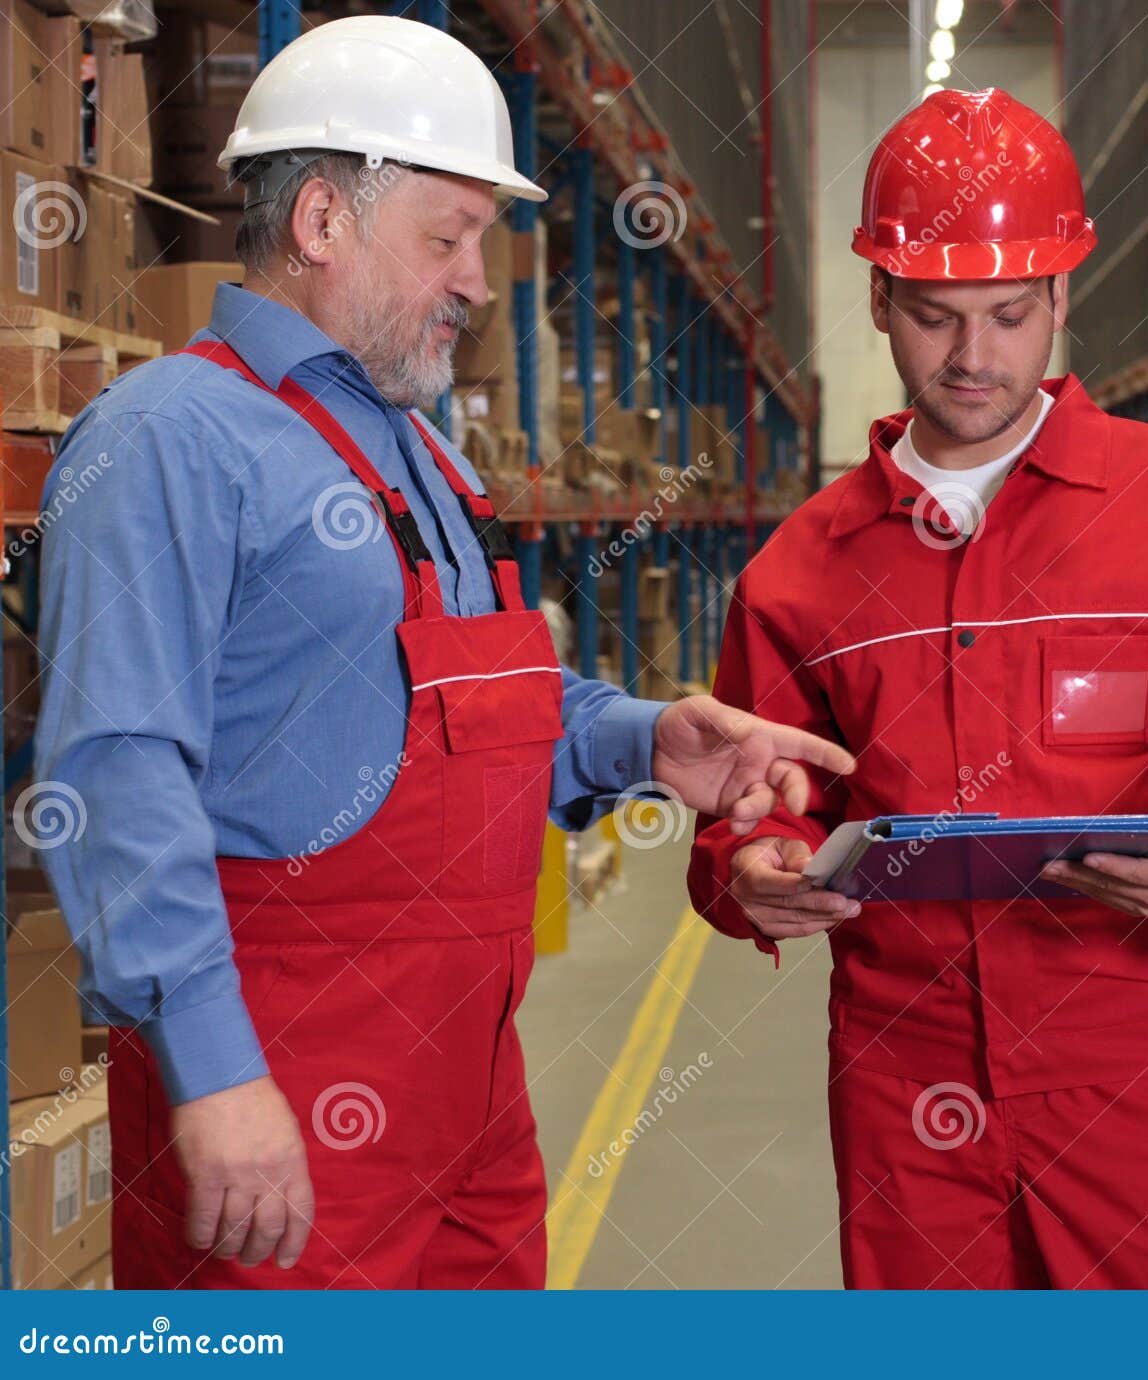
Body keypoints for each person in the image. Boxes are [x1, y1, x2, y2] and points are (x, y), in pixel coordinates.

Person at [34, 16, 852, 1290]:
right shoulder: (172, 439)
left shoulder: (419, 455)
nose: (477, 278)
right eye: (447, 237)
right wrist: (217, 1070)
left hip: (469, 1097)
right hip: (286, 1092)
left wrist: (644, 739)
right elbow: (116, 769)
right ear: (319, 222)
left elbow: (471, 692)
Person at [687, 88, 1148, 1290]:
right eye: (935, 317)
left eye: (1010, 316)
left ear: (1060, 296)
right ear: (879, 301)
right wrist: (753, 872)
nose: (974, 358)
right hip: (910, 1099)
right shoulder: (801, 572)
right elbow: (751, 801)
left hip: (1138, 1083)